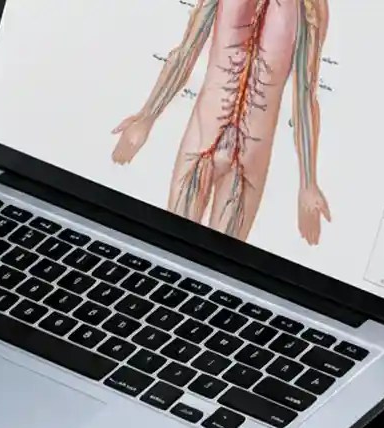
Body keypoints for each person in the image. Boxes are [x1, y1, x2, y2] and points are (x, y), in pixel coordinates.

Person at [112, 0, 332, 246]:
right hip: (201, 145)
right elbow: (187, 51)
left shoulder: (309, 7)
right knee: (172, 249)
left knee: (222, 265)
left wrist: (308, 183)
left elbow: (305, 95)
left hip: (247, 166)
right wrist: (146, 118)